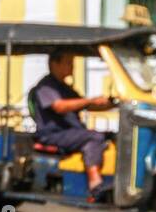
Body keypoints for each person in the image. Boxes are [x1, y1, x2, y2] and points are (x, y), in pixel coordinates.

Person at [30, 50, 116, 194]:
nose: (72, 67)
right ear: (54, 64)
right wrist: (90, 100)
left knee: (109, 136)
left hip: (70, 133)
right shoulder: (46, 86)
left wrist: (112, 103)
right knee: (94, 136)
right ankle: (95, 182)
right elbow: (59, 106)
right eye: (68, 63)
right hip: (53, 135)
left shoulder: (65, 87)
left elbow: (86, 105)